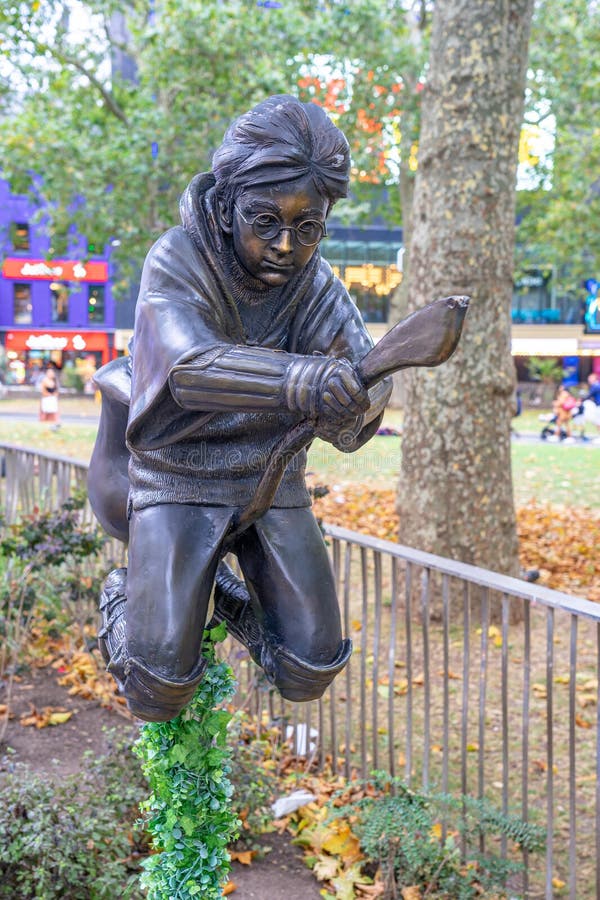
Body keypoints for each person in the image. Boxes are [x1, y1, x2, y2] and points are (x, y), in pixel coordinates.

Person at [88, 96, 397, 723]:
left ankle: (223, 595)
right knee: (157, 687)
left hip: (271, 478)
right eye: (266, 221)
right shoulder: (178, 257)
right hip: (177, 474)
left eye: (308, 228)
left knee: (310, 665)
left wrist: (357, 402)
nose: (286, 245)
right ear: (228, 204)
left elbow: (365, 369)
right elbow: (189, 367)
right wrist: (306, 381)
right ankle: (128, 599)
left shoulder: (315, 283)